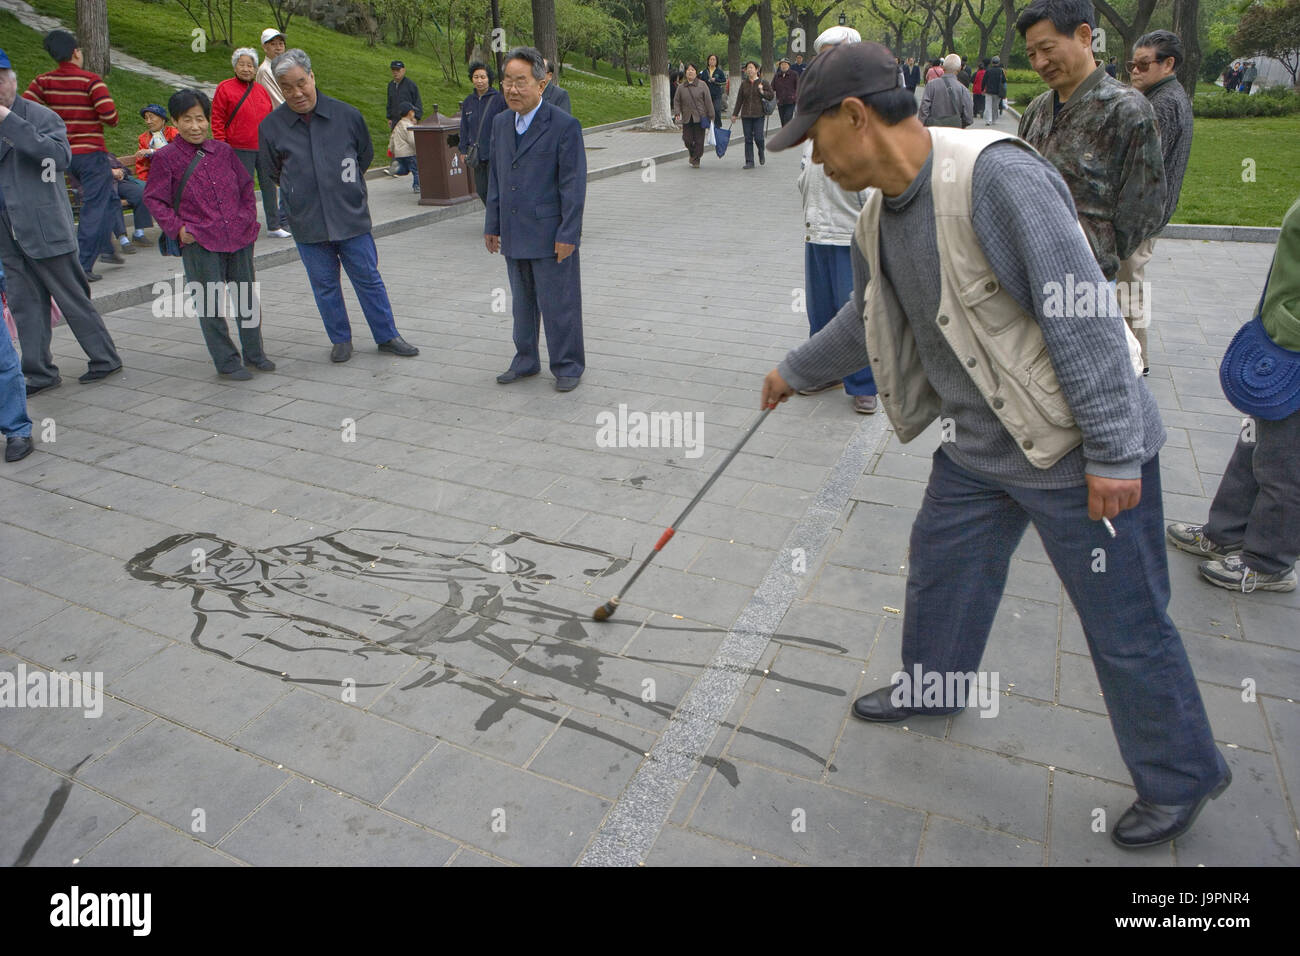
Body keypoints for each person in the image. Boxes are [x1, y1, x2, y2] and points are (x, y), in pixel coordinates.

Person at [761, 39, 1230, 850]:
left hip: (1075, 448)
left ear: (855, 117)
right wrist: (793, 371)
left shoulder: (993, 179)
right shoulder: (880, 211)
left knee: (1126, 628)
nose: (811, 157)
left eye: (812, 137)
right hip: (981, 448)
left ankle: (1183, 775)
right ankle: (934, 686)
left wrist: (1117, 454)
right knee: (942, 569)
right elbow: (865, 318)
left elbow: (1079, 312)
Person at [1169, 196, 1300, 594]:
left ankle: (1269, 562)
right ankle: (1226, 533)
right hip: (1282, 344)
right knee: (1254, 447)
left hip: (1293, 348)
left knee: (1286, 465)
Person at [259, 49, 419, 363]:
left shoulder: (346, 115)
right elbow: (271, 170)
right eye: (286, 87)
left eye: (301, 83)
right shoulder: (271, 127)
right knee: (324, 285)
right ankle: (340, 339)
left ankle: (387, 335)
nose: (296, 92)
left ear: (312, 77)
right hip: (307, 223)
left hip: (350, 218)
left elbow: (363, 155)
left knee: (368, 279)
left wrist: (344, 190)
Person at [1017, 0, 1165, 290]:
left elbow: (1143, 208)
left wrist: (1097, 250)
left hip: (1087, 281)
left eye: (1047, 49)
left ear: (1085, 36)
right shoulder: (1036, 111)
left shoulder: (1128, 110)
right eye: (1031, 54)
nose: (1039, 63)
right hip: (1030, 272)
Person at [0, 54, 122, 395]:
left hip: (45, 225)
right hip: (7, 232)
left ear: (12, 80)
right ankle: (39, 373)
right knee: (25, 304)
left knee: (72, 296)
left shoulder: (39, 116)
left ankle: (104, 358)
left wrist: (9, 121)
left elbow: (58, 158)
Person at [144, 89, 272, 381]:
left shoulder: (223, 151)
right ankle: (227, 361)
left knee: (246, 299)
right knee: (210, 303)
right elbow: (154, 199)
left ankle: (255, 353)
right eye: (187, 120)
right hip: (199, 241)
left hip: (237, 237)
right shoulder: (167, 158)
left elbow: (244, 189)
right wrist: (178, 229)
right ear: (175, 121)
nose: (195, 126)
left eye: (200, 119)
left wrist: (247, 220)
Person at [484, 46, 586, 392]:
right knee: (522, 304)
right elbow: (496, 177)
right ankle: (525, 359)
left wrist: (569, 233)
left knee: (559, 303)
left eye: (521, 82)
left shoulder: (563, 125)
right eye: (507, 81)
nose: (512, 89)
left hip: (550, 233)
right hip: (514, 231)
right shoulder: (500, 123)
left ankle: (568, 364)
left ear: (541, 84)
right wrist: (492, 225)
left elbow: (573, 185)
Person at [796, 25, 878, 414]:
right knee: (821, 310)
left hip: (854, 232)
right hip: (817, 228)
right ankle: (825, 371)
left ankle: (864, 383)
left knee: (856, 313)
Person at [1118, 29, 1194, 374]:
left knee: (1129, 286)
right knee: (1127, 285)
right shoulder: (1165, 95)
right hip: (1146, 211)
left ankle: (1137, 361)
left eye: (1144, 64)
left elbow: (1144, 166)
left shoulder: (1163, 103)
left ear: (1168, 64)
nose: (1135, 70)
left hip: (1141, 214)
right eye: (1132, 63)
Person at [23, 29, 119, 283]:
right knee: (95, 207)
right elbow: (111, 118)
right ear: (76, 52)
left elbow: (24, 109)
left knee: (109, 200)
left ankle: (108, 249)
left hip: (61, 153)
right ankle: (82, 265)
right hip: (91, 154)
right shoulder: (91, 81)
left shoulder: (43, 81)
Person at [212, 48, 282, 240]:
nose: (246, 69)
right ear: (234, 67)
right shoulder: (224, 88)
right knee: (243, 188)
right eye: (241, 64)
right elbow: (217, 118)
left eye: (250, 65)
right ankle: (244, 225)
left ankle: (274, 225)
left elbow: (270, 118)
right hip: (238, 147)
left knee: (269, 185)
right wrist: (221, 144)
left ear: (255, 68)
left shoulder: (261, 91)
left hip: (263, 147)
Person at [254, 27, 292, 237]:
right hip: (280, 127)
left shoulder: (280, 68)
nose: (278, 47)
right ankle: (283, 218)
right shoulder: (265, 70)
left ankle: (287, 216)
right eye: (273, 44)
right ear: (265, 47)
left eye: (280, 43)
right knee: (287, 171)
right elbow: (279, 101)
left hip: (284, 124)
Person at [458, 61, 507, 204]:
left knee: (496, 189)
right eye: (476, 77)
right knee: (482, 190)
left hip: (495, 153)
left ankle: (498, 221)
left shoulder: (499, 99)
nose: (479, 81)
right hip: (477, 155)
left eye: (483, 77)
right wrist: (463, 149)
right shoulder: (468, 101)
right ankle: (493, 216)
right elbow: (464, 127)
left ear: (489, 79)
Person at [731, 61, 774, 169]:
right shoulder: (744, 83)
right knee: (748, 139)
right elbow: (739, 100)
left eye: (751, 68)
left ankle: (761, 151)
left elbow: (771, 96)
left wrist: (762, 91)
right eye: (747, 68)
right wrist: (735, 114)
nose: (749, 70)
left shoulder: (763, 82)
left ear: (757, 70)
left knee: (759, 138)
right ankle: (749, 161)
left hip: (759, 115)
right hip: (746, 115)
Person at [673, 63, 714, 168]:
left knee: (699, 141)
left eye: (692, 70)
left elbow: (708, 101)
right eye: (688, 70)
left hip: (700, 117)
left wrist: (711, 116)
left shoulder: (702, 85)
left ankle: (696, 160)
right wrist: (677, 112)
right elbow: (676, 101)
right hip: (687, 117)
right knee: (687, 139)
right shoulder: (681, 87)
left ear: (696, 72)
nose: (690, 72)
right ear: (685, 72)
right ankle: (693, 154)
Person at [918, 53, 973, 128]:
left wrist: (924, 125)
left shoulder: (931, 85)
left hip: (934, 131)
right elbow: (968, 118)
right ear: (959, 68)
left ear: (943, 67)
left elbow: (924, 109)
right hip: (954, 131)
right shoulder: (963, 89)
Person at [133, 104, 176, 183]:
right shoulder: (143, 138)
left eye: (151, 117)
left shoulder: (173, 132)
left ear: (163, 119)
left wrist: (152, 151)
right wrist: (146, 182)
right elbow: (142, 165)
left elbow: (177, 151)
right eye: (146, 118)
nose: (148, 121)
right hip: (155, 179)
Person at [387, 103, 420, 192]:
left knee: (405, 170)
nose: (414, 114)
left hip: (399, 153)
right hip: (409, 152)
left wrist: (391, 149)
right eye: (413, 112)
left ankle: (396, 169)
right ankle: (417, 186)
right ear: (410, 113)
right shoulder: (408, 126)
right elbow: (411, 140)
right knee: (416, 170)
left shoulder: (398, 125)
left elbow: (392, 137)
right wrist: (418, 148)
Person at [386, 60, 422, 129]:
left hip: (408, 121)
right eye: (393, 70)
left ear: (403, 70)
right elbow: (389, 102)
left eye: (398, 70)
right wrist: (389, 117)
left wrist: (416, 118)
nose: (395, 72)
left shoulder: (411, 85)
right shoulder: (391, 85)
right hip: (395, 122)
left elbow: (417, 103)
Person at [702, 54, 727, 130]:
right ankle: (707, 125)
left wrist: (715, 80)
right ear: (708, 61)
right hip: (706, 94)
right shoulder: (704, 71)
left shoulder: (719, 72)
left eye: (714, 60)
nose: (712, 61)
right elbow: (701, 81)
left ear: (716, 61)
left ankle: (717, 125)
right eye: (710, 59)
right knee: (706, 110)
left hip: (717, 95)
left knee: (716, 109)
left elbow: (724, 81)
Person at [773, 58, 799, 126]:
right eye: (782, 64)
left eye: (785, 64)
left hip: (790, 101)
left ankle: (787, 135)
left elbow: (798, 87)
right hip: (780, 102)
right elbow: (772, 87)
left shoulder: (794, 74)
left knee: (787, 119)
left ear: (789, 65)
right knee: (783, 121)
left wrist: (796, 97)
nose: (783, 66)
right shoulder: (777, 75)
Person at [982, 55, 1006, 124]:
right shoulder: (1001, 71)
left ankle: (988, 120)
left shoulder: (988, 70)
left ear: (992, 62)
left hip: (989, 91)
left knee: (988, 106)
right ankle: (994, 119)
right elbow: (1004, 81)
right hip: (997, 92)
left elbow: (984, 80)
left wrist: (982, 88)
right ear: (998, 62)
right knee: (995, 107)